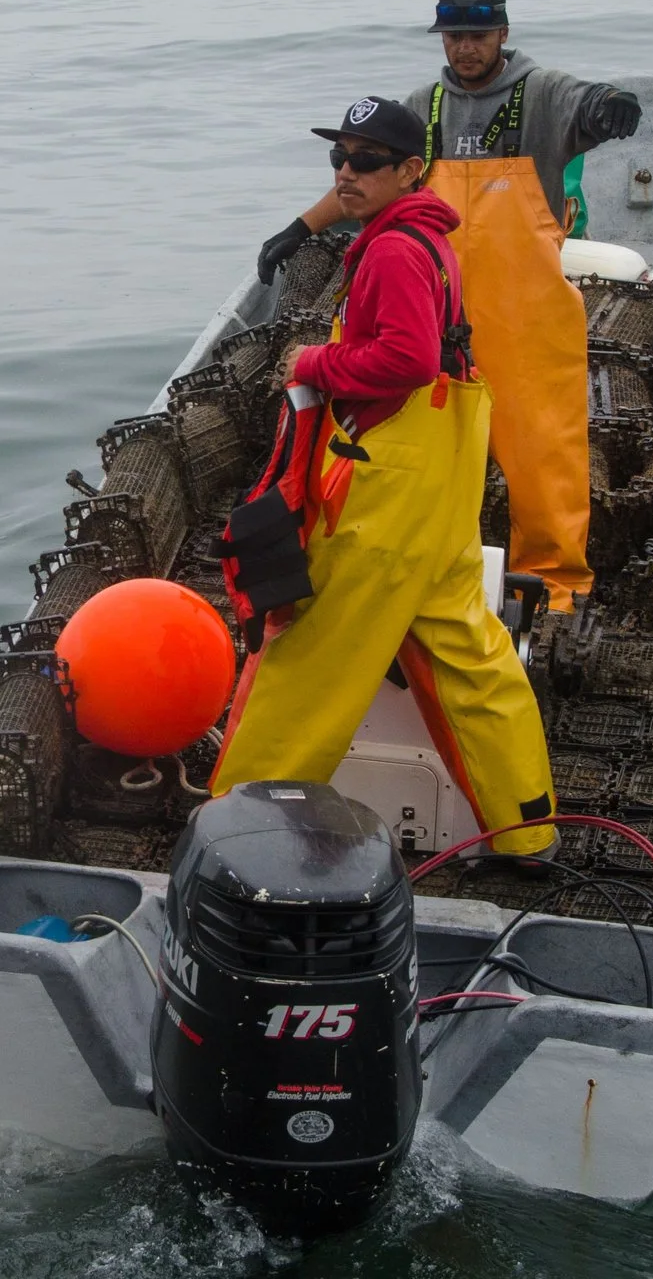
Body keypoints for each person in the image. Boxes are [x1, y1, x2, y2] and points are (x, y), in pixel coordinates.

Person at [213, 96, 556, 856]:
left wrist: (311, 362)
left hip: (388, 504)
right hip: (440, 498)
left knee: (308, 658)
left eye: (367, 161)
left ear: (409, 171)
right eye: (338, 157)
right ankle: (527, 830)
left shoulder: (396, 251)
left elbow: (405, 359)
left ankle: (234, 827)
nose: (346, 172)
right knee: (470, 659)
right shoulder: (425, 241)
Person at [253, 0, 641, 609]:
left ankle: (556, 584)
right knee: (432, 456)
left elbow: (587, 103)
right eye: (455, 36)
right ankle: (441, 573)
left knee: (544, 453)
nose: (465, 49)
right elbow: (363, 176)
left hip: (526, 317)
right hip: (435, 311)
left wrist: (609, 105)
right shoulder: (423, 108)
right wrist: (301, 227)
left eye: (478, 35)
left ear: (504, 34)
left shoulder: (542, 95)